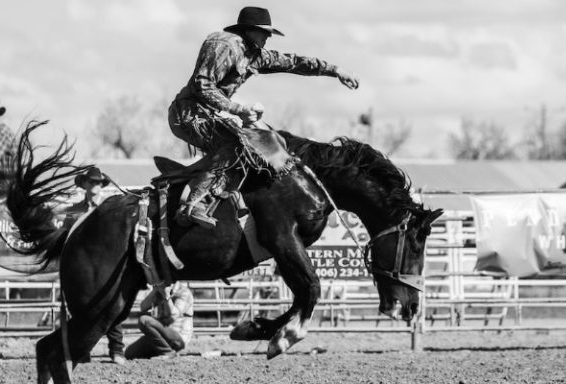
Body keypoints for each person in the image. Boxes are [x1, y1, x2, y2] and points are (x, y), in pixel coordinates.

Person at [169, 6, 359, 228]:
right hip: (188, 115)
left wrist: (335, 70)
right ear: (249, 30)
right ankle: (194, 205)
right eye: (265, 32)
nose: (268, 38)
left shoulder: (255, 55)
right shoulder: (224, 45)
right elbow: (203, 84)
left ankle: (226, 197)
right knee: (235, 146)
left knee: (258, 146)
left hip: (208, 115)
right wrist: (236, 108)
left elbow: (293, 62)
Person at [61, 167, 126, 365]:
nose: (94, 185)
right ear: (85, 185)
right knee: (80, 310)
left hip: (106, 265)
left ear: (101, 185)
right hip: (82, 268)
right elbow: (65, 238)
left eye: (98, 182)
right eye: (91, 182)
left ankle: (117, 349)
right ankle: (83, 351)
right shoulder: (74, 211)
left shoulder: (111, 209)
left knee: (112, 306)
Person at [125, 281, 194, 360]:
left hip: (178, 337)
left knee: (144, 320)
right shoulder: (159, 290)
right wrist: (155, 291)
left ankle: (167, 352)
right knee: (129, 353)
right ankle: (161, 350)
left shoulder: (184, 292)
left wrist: (166, 295)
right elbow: (143, 307)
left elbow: (173, 315)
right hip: (160, 334)